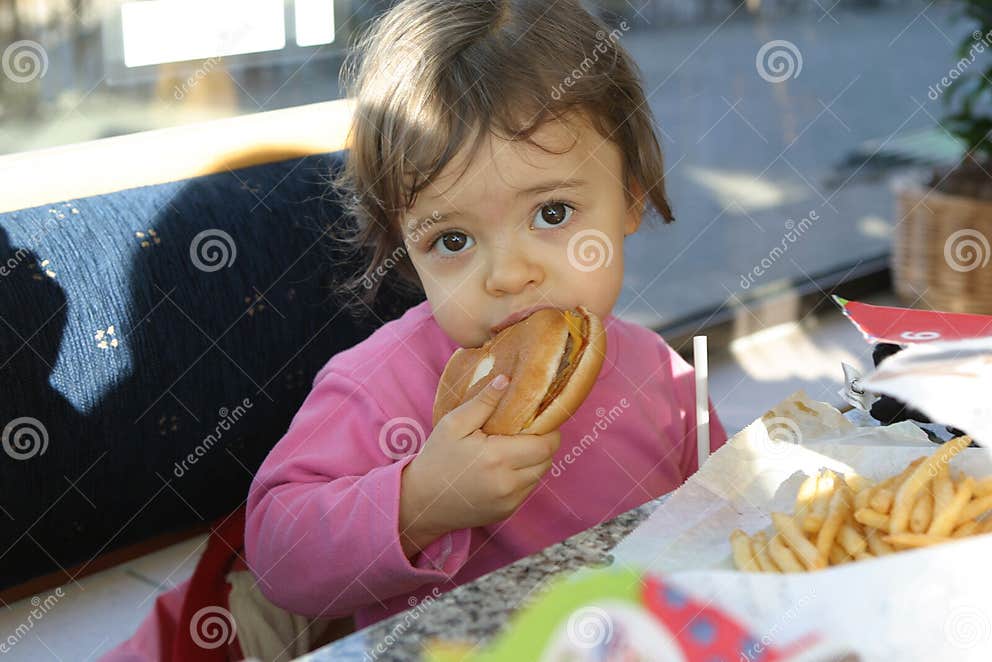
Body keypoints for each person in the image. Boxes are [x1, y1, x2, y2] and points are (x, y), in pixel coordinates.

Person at [103, 0, 727, 658]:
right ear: (403, 245)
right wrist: (420, 499)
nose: (508, 274)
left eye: (552, 211)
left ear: (631, 197)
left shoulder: (666, 376)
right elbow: (277, 553)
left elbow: (726, 518)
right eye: (453, 238)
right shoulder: (380, 386)